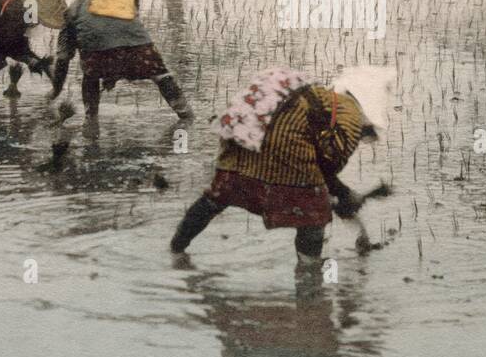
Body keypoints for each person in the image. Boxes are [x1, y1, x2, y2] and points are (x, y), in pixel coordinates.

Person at [169, 66, 395, 265]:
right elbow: (326, 166)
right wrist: (343, 195)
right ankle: (309, 273)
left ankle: (176, 251)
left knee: (217, 197)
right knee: (314, 214)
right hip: (284, 154)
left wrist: (343, 194)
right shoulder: (351, 115)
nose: (364, 136)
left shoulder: (321, 96)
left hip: (244, 145)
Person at [48, 0, 191, 119]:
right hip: (138, 44)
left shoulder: (71, 14)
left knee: (90, 77)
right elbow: (121, 33)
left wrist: (55, 91)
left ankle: (91, 120)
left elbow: (63, 59)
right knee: (160, 75)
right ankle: (186, 115)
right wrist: (113, 75)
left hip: (97, 51)